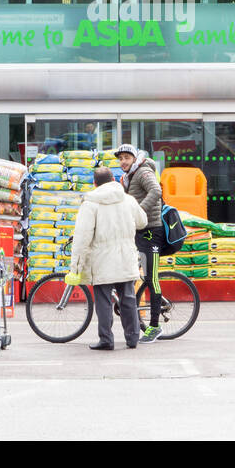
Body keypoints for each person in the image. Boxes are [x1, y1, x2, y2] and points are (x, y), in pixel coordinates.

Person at [69, 167, 148, 350]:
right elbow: (142, 221)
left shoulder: (90, 203)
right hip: (126, 256)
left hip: (102, 259)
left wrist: (76, 266)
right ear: (114, 179)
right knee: (128, 298)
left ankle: (106, 340)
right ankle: (133, 338)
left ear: (94, 184)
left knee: (103, 301)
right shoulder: (128, 200)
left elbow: (82, 238)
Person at [116, 143, 165, 343]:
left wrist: (138, 212)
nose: (123, 162)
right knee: (137, 273)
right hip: (139, 231)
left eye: (127, 158)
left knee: (151, 278)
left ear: (135, 158)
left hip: (152, 232)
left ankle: (155, 326)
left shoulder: (143, 172)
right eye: (120, 159)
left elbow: (156, 191)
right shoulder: (129, 177)